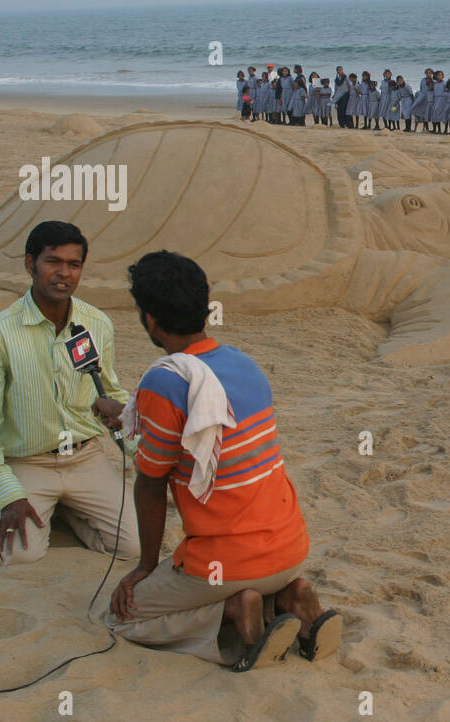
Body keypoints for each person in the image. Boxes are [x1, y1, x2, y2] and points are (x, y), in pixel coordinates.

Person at [105, 251, 342, 671]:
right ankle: (289, 596)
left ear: (149, 320)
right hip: (290, 550)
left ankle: (231, 612)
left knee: (122, 617)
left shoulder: (164, 381)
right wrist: (125, 413)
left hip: (227, 565)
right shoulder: (242, 363)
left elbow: (150, 483)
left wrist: (144, 567)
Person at [0, 221, 139, 566]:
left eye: (74, 265)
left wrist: (136, 446)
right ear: (30, 264)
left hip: (85, 457)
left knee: (133, 547)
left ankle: (69, 510)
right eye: (53, 262)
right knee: (15, 555)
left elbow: (109, 388)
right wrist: (7, 491)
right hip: (28, 460)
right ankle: (5, 502)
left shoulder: (96, 324)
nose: (64, 274)